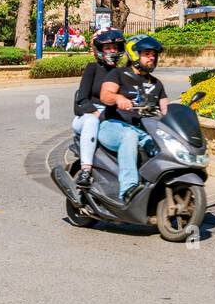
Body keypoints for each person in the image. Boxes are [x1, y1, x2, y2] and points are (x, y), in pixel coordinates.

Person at [97, 35, 168, 201]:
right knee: (130, 136)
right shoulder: (119, 74)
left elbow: (166, 108)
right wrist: (118, 98)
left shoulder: (156, 84)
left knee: (165, 149)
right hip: (113, 126)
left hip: (144, 131)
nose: (152, 57)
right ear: (135, 54)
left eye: (154, 54)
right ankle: (128, 191)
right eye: (148, 53)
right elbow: (105, 94)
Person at [72, 29, 125, 188]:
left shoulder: (122, 73)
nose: (112, 51)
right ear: (100, 50)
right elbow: (82, 99)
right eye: (108, 48)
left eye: (115, 48)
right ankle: (86, 170)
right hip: (87, 117)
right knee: (92, 121)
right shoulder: (92, 68)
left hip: (109, 117)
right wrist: (96, 113)